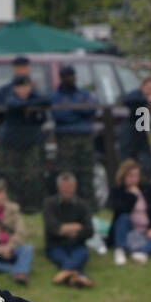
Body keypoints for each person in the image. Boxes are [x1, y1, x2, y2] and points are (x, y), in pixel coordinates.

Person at [0, 74, 48, 213]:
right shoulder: (10, 97)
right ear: (15, 88)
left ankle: (31, 206)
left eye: (26, 87)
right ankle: (14, 206)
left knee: (32, 176)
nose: (24, 90)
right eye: (20, 87)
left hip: (31, 143)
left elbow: (47, 101)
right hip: (12, 145)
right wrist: (31, 105)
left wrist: (31, 103)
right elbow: (13, 104)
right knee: (13, 176)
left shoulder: (34, 96)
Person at [50, 65, 98, 205]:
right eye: (68, 76)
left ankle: (89, 203)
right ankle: (69, 203)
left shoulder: (83, 93)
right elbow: (60, 115)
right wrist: (80, 109)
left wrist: (73, 108)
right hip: (66, 138)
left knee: (86, 171)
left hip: (85, 137)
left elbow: (92, 108)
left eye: (73, 75)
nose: (71, 79)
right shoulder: (56, 96)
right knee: (68, 171)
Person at [105, 159, 151, 265]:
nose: (134, 179)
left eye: (136, 176)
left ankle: (142, 252)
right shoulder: (117, 192)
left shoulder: (146, 190)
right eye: (130, 176)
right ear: (123, 177)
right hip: (127, 232)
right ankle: (120, 249)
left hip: (144, 232)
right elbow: (120, 210)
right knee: (123, 218)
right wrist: (132, 196)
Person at [43, 171, 94, 286]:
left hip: (77, 245)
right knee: (61, 257)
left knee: (81, 254)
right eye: (64, 187)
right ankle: (81, 277)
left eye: (69, 186)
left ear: (74, 187)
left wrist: (65, 230)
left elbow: (89, 230)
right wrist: (76, 227)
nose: (66, 189)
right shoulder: (49, 204)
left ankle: (63, 275)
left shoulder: (83, 205)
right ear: (58, 188)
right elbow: (52, 229)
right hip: (56, 246)